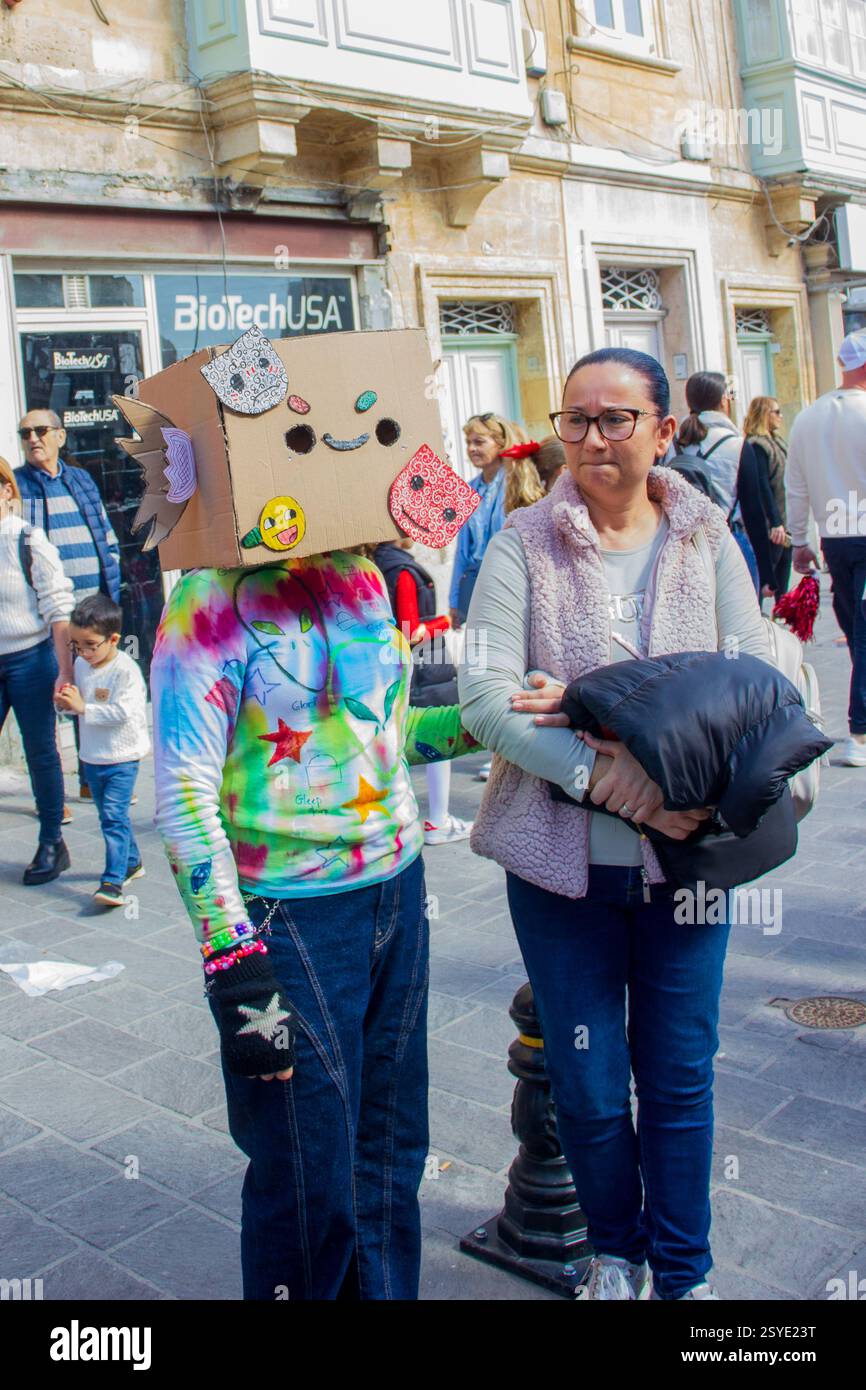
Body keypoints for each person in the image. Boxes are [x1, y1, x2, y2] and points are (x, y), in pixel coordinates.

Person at [459, 346, 768, 1301]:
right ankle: (615, 1253)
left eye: (615, 419)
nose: (592, 438)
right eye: (575, 420)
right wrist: (612, 770)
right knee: (589, 1089)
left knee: (678, 1079)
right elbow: (484, 697)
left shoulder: (706, 536)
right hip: (561, 868)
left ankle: (683, 1274)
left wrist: (600, 713)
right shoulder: (522, 543)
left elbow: (753, 684)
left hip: (689, 857)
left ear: (664, 432)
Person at [150, 551, 479, 1300]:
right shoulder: (206, 600)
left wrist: (487, 720)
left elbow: (388, 737)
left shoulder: (363, 574)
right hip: (285, 924)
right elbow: (183, 789)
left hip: (398, 896)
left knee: (391, 1158)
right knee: (307, 1177)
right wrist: (235, 966)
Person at [16, 408, 121, 801]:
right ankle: (53, 792)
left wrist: (112, 570)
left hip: (91, 608)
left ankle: (90, 777)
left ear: (61, 436)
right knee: (50, 693)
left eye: (41, 430)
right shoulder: (17, 484)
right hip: (46, 613)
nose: (33, 439)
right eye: (25, 433)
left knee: (92, 690)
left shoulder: (81, 479)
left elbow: (105, 532)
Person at [786, 327, 866, 767]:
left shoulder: (810, 416)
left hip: (835, 538)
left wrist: (801, 540)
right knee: (864, 633)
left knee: (858, 629)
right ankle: (861, 731)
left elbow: (795, 485)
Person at [0, 455, 75, 885]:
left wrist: (64, 671)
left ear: (7, 490)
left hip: (30, 658)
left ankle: (52, 843)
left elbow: (58, 610)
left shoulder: (28, 541)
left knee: (41, 752)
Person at [373, 537, 472, 846]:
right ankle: (438, 820)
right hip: (426, 666)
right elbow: (411, 631)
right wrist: (444, 622)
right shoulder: (401, 570)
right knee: (437, 739)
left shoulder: (376, 564)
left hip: (406, 665)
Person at [54, 593, 149, 906]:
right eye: (77, 645)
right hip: (92, 757)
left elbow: (123, 712)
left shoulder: (126, 671)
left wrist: (84, 708)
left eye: (90, 645)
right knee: (112, 816)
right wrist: (67, 704)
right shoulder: (82, 665)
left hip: (122, 757)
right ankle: (132, 861)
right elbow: (80, 707)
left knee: (112, 816)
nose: (83, 652)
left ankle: (112, 881)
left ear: (114, 639)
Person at [450, 412, 527, 782]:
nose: (472, 449)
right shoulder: (469, 488)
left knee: (510, 665)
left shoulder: (516, 483)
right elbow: (461, 550)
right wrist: (453, 600)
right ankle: (496, 749)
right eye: (468, 442)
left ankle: (508, 749)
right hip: (475, 582)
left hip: (506, 582)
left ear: (499, 444)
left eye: (479, 441)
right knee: (483, 666)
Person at [677, 372, 759, 593]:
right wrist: (769, 571)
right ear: (723, 400)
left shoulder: (674, 443)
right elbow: (753, 511)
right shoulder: (737, 445)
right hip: (729, 538)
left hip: (683, 545)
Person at [742, 396, 791, 597]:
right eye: (776, 412)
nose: (780, 416)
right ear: (764, 414)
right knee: (766, 580)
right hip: (771, 523)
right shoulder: (757, 445)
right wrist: (775, 522)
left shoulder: (776, 441)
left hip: (784, 520)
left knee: (782, 579)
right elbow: (762, 487)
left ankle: (781, 618)